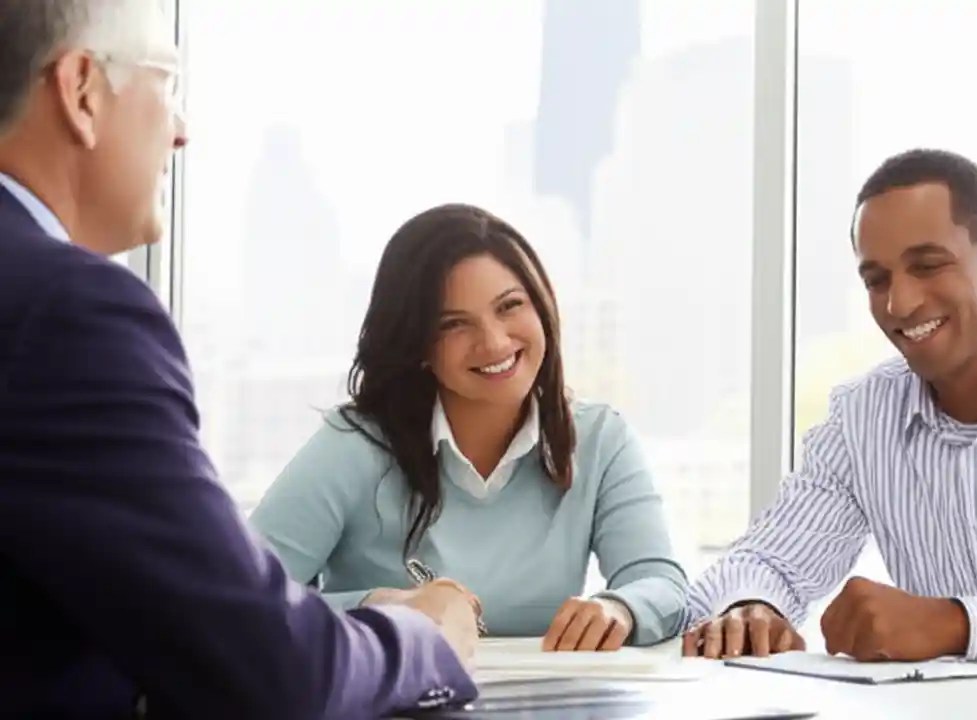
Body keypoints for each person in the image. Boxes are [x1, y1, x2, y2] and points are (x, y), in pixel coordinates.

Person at [0, 2, 478, 718]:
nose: (182, 131)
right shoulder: (68, 312)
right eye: (169, 83)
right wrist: (423, 635)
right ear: (82, 91)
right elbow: (274, 677)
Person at [683, 148, 977, 664]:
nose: (899, 304)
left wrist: (960, 624)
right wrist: (751, 605)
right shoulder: (863, 417)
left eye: (927, 265)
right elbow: (767, 562)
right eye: (877, 280)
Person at [248, 203, 688, 652]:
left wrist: (619, 609)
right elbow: (240, 601)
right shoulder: (354, 444)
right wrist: (385, 608)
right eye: (454, 324)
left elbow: (661, 584)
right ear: (415, 342)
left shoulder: (600, 439)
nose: (494, 342)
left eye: (510, 306)